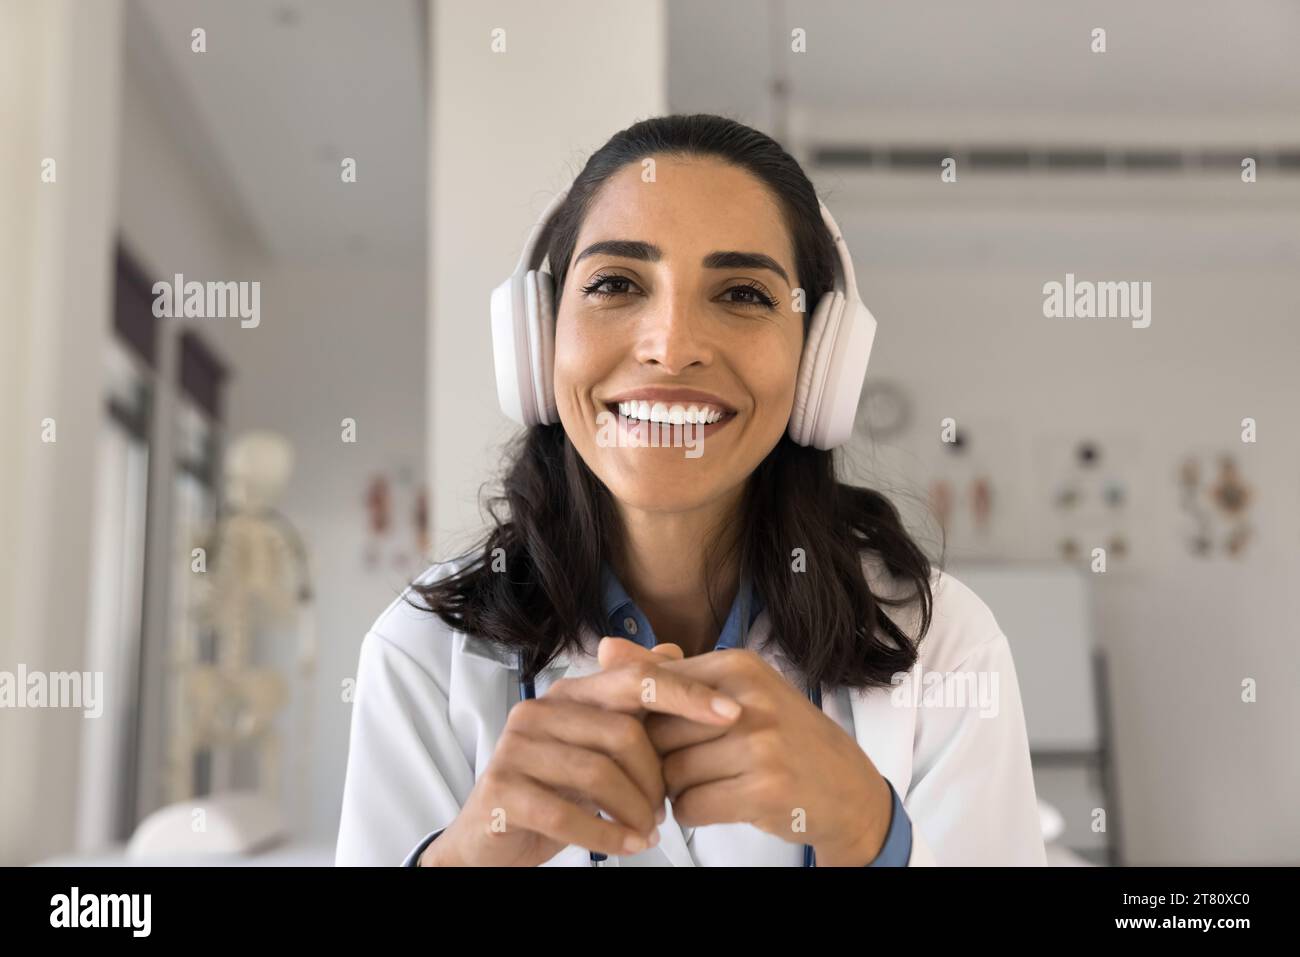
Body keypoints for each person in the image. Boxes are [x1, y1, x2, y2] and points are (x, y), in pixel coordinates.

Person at [335, 114, 1045, 867]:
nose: (671, 345)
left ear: (818, 363)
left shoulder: (944, 644)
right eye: (614, 283)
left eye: (742, 293)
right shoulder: (422, 652)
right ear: (537, 338)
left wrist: (875, 834)